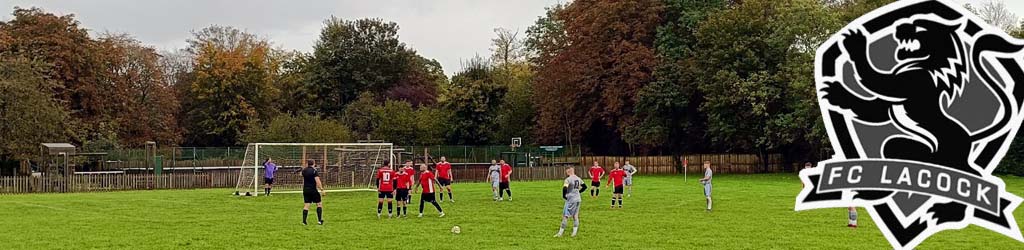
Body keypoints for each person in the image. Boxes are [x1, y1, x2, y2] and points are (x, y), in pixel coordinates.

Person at [555, 167, 587, 238]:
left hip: (571, 200)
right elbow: (585, 187)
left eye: (567, 171)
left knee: (565, 216)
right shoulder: (578, 178)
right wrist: (578, 192)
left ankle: (560, 234)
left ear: (568, 171)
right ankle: (574, 233)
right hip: (578, 199)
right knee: (575, 216)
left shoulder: (568, 179)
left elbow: (565, 188)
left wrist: (564, 196)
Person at [301, 160, 324, 225]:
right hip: (313, 190)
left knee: (306, 205)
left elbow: (302, 175)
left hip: (305, 190)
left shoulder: (304, 170)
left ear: (307, 164)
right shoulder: (314, 171)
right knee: (319, 204)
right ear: (314, 164)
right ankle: (319, 220)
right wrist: (321, 189)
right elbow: (317, 180)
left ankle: (304, 222)